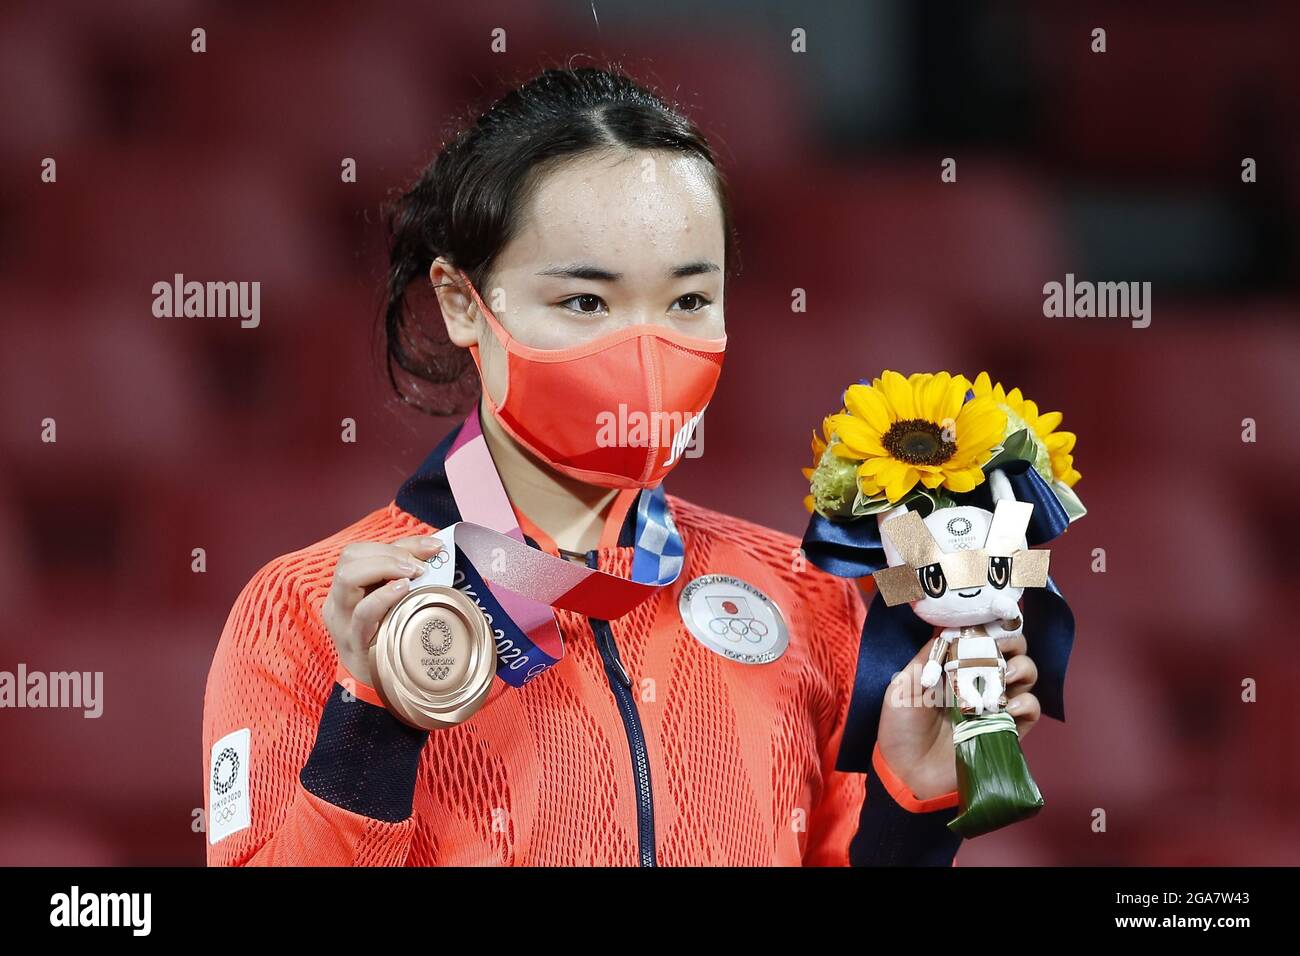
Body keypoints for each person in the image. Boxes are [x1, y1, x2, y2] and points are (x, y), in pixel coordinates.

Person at [201, 65, 1044, 866]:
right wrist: (373, 724)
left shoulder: (811, 599)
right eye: (584, 301)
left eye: (687, 300)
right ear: (463, 302)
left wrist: (909, 813)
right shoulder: (308, 612)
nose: (644, 353)